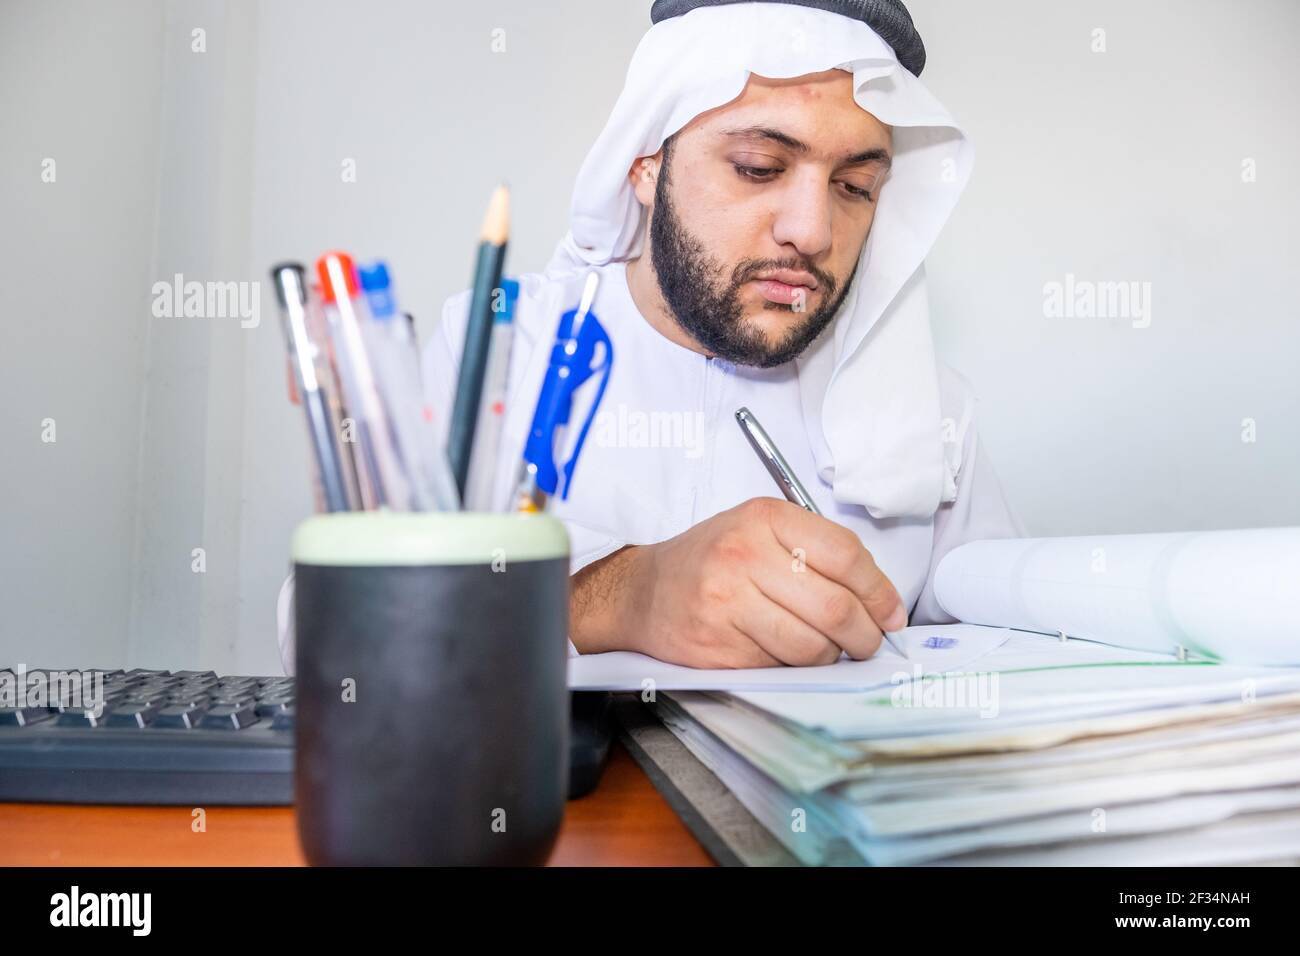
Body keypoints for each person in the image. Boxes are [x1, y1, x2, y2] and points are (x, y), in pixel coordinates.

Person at [277, 0, 1023, 674]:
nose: (813, 230)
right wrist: (621, 595)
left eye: (855, 187)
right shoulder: (503, 347)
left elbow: (1008, 647)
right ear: (644, 165)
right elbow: (320, 631)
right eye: (759, 167)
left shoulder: (930, 407)